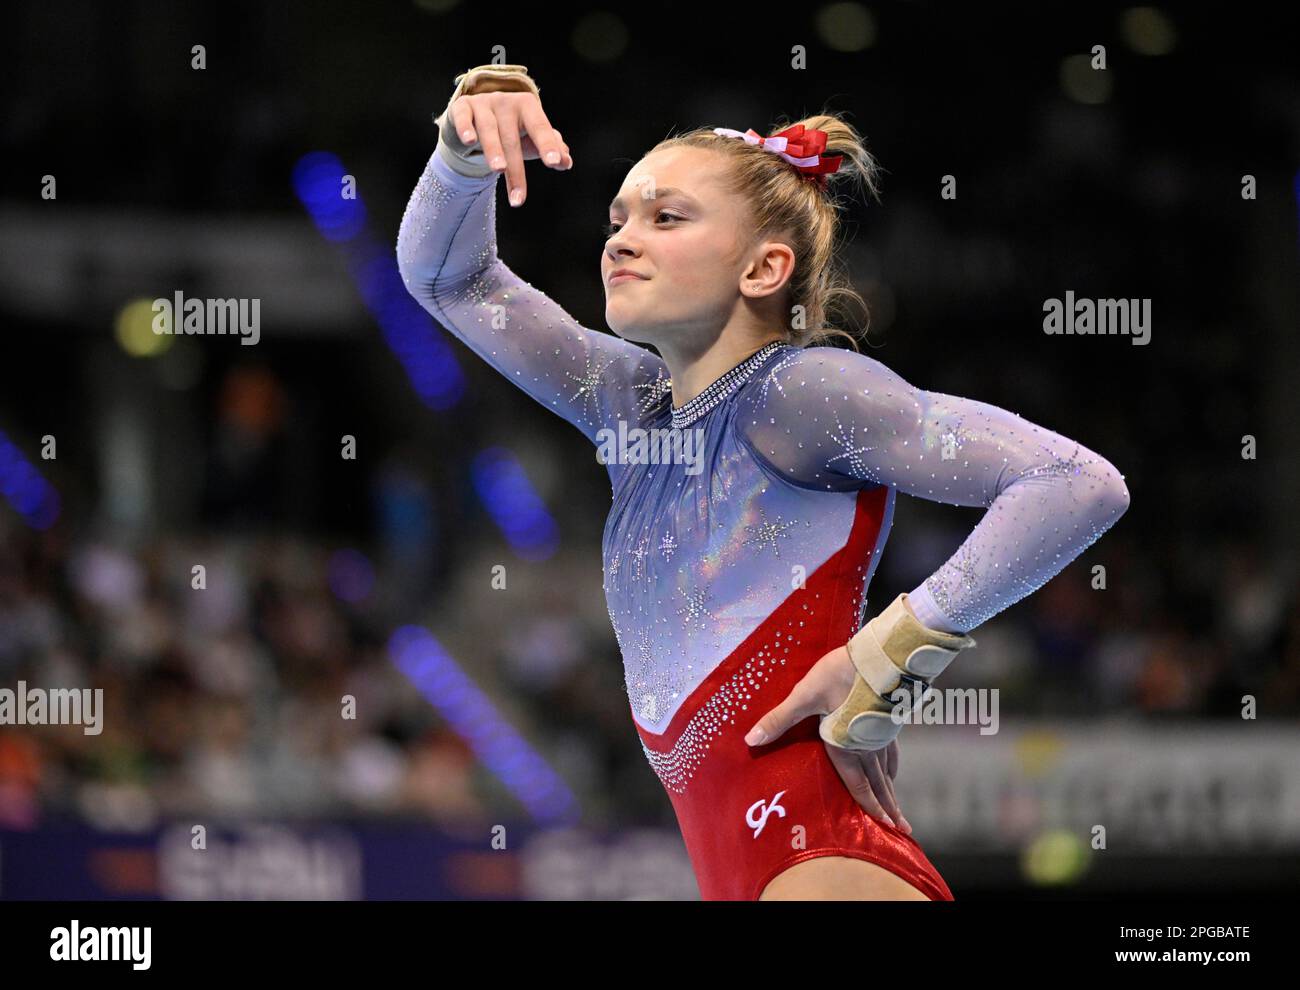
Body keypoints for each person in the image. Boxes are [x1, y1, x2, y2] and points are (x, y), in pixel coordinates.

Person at [396, 63, 1131, 900]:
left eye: (667, 217)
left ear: (763, 269)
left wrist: (890, 649)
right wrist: (459, 152)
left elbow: (1075, 480)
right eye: (619, 217)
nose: (622, 238)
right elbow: (449, 278)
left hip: (823, 864)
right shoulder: (628, 407)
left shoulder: (799, 394)